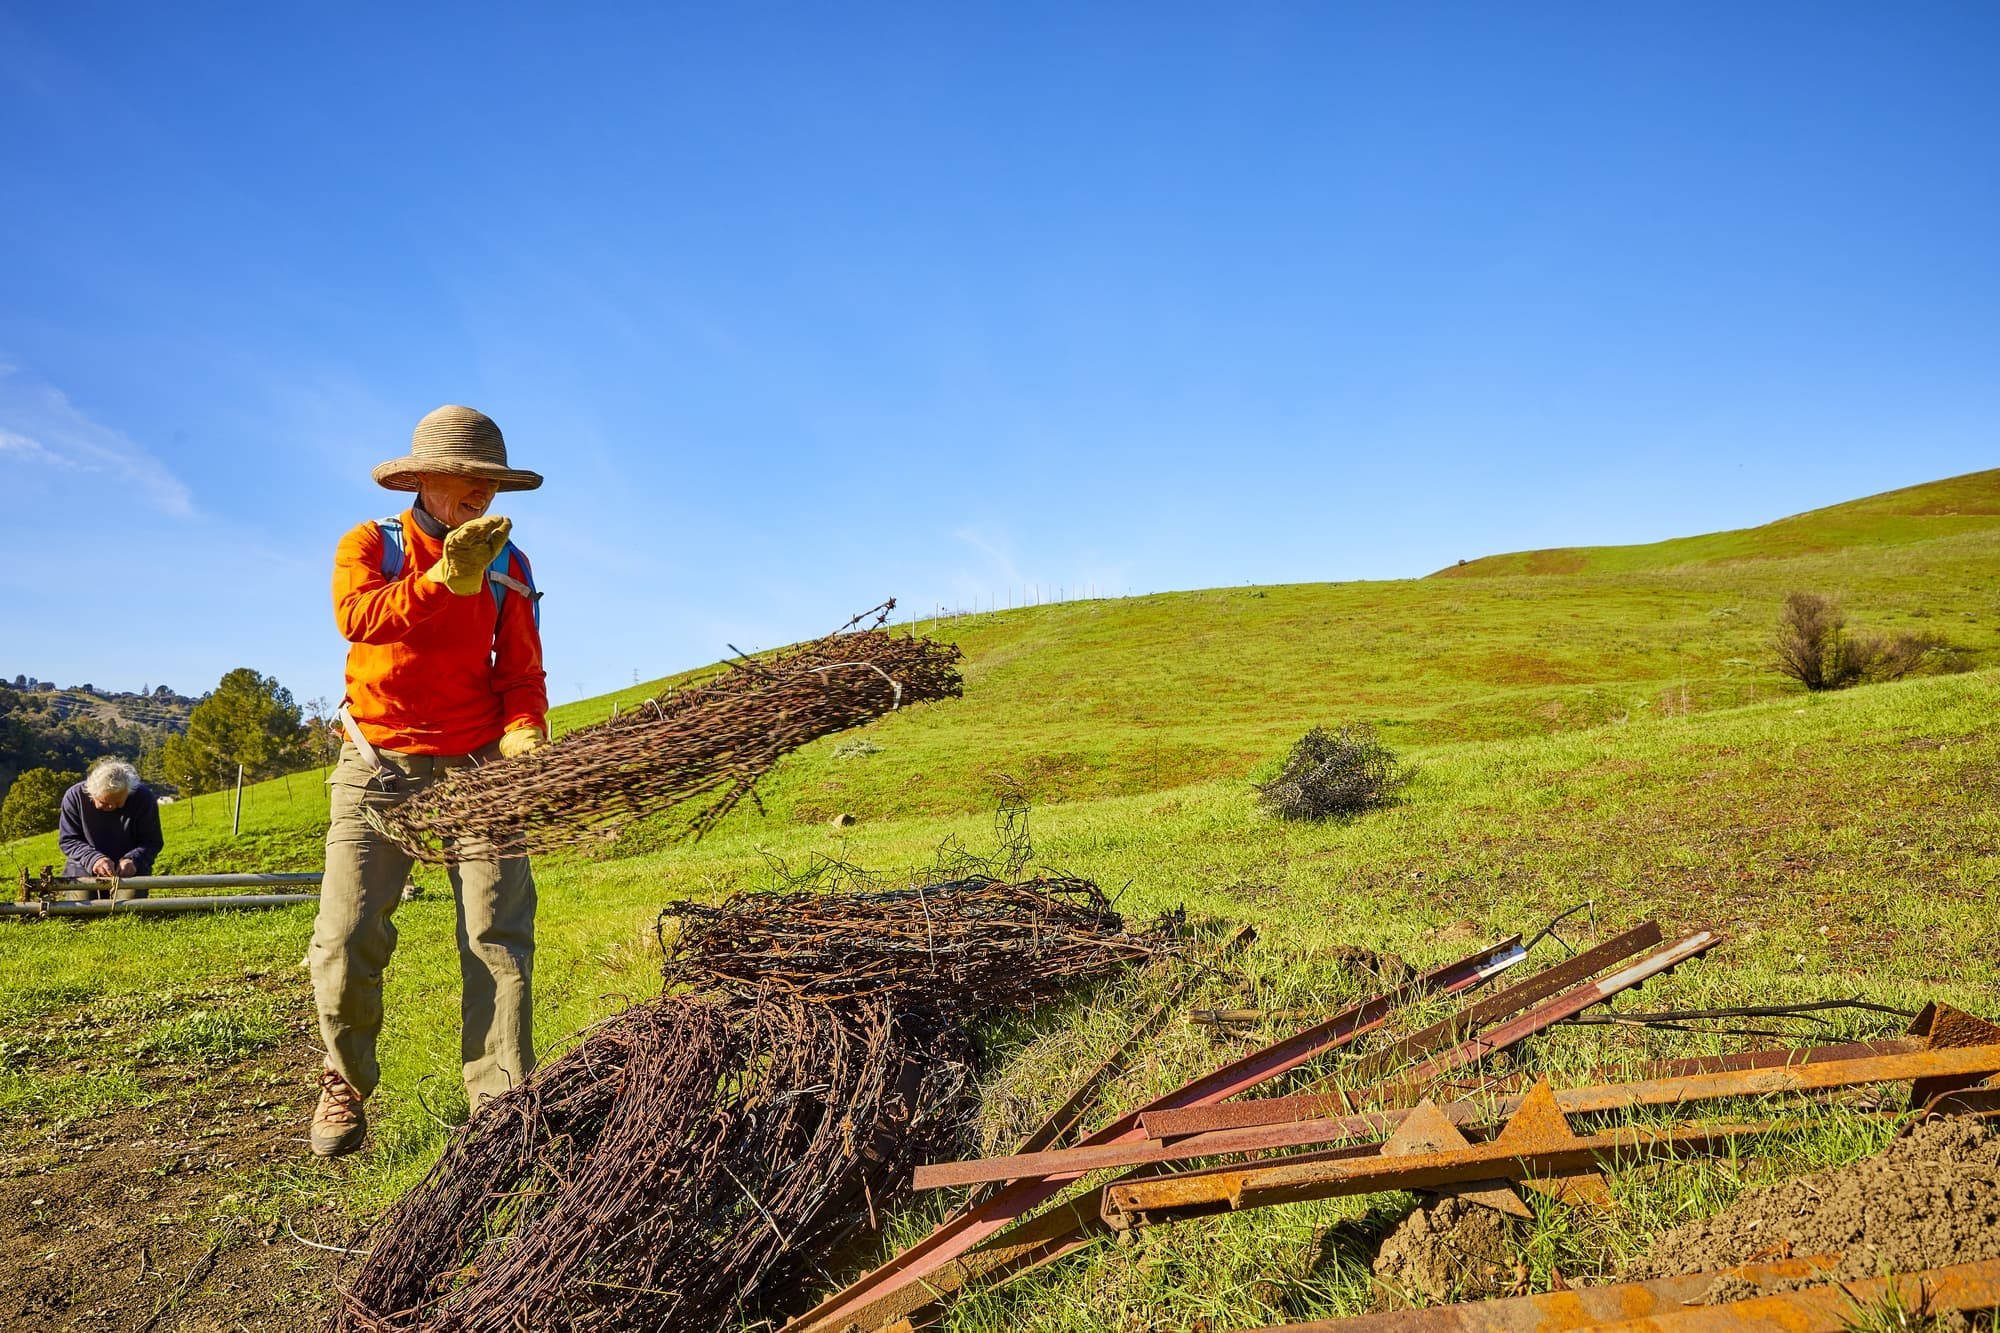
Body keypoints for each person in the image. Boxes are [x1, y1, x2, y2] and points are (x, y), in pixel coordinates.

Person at [308, 404, 549, 1158]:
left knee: (496, 935)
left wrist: (526, 726)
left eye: (494, 482)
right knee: (347, 935)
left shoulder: (509, 562)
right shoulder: (371, 545)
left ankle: (501, 1106)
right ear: (425, 480)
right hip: (378, 763)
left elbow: (520, 668)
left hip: (478, 766)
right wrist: (444, 579)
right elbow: (357, 618)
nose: (484, 494)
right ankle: (345, 1079)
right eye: (471, 479)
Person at [56, 759, 164, 895]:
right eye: (104, 802)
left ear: (128, 792)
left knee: (129, 903)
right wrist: (94, 859)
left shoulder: (143, 798)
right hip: (83, 865)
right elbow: (68, 840)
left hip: (129, 870)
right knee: (82, 905)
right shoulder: (75, 796)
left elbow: (152, 841)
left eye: (118, 802)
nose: (111, 807)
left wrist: (133, 860)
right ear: (91, 793)